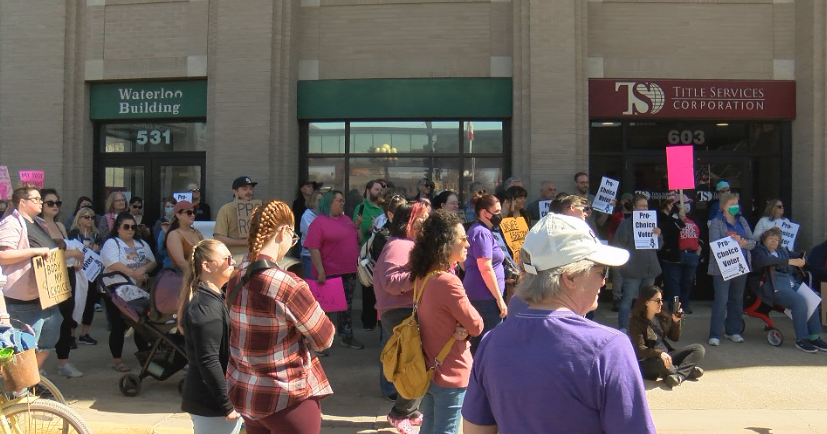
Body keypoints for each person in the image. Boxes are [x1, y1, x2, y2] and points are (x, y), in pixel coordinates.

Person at [462, 214, 655, 434]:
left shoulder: (492, 343)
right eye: (601, 270)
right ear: (569, 277)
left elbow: (475, 430)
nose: (604, 281)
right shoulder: (609, 347)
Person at [227, 200, 335, 434]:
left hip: (248, 394)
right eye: (293, 237)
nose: (291, 243)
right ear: (283, 231)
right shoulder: (286, 283)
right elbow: (324, 338)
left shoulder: (235, 276)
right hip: (288, 396)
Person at [411, 209, 483, 434]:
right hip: (451, 370)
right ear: (445, 244)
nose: (468, 244)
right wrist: (464, 328)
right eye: (462, 239)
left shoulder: (423, 275)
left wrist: (462, 327)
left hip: (429, 367)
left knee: (429, 428)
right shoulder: (448, 282)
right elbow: (476, 325)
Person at [373, 202, 429, 432]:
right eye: (422, 218)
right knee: (414, 365)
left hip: (406, 311)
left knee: (417, 362)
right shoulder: (399, 245)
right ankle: (400, 413)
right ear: (409, 222)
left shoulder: (408, 244)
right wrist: (423, 274)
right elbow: (391, 282)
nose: (426, 222)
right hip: (400, 312)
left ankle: (411, 410)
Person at [179, 239, 242, 434]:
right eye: (227, 258)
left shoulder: (214, 299)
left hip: (214, 402)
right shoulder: (205, 308)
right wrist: (227, 405)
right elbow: (209, 360)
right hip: (211, 405)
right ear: (206, 266)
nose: (233, 262)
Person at [0, 184, 65, 371]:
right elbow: (3, 255)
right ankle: (22, 383)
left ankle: (31, 378)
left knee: (48, 339)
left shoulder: (38, 223)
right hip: (22, 301)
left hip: (45, 297)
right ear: (22, 202)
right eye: (36, 199)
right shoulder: (11, 223)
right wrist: (35, 251)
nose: (40, 202)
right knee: (24, 348)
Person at [304, 190, 364, 349]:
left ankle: (346, 336)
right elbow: (313, 248)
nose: (343, 203)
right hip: (330, 273)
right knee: (325, 309)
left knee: (346, 307)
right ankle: (319, 341)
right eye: (339, 200)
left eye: (343, 200)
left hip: (348, 271)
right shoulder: (319, 222)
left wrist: (358, 227)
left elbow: (358, 240)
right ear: (329, 203)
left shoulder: (346, 220)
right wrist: (320, 271)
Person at [752, 227, 827, 353]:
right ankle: (802, 339)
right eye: (770, 238)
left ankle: (814, 337)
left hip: (791, 283)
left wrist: (801, 259)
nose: (773, 241)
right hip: (775, 287)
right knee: (799, 302)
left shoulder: (782, 251)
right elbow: (765, 261)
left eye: (776, 239)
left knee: (812, 299)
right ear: (764, 240)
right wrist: (790, 261)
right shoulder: (760, 251)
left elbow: (800, 258)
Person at [100, 212, 156, 371]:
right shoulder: (112, 243)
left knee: (141, 322)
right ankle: (117, 360)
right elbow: (112, 263)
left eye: (133, 227)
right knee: (118, 324)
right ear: (118, 228)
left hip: (138, 289)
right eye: (126, 226)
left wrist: (143, 269)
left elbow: (152, 261)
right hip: (115, 287)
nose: (130, 230)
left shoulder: (141, 243)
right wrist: (132, 273)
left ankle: (145, 355)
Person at [40, 188, 85, 378]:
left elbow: (67, 248)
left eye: (57, 203)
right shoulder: (37, 225)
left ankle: (63, 362)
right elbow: (46, 254)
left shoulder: (60, 225)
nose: (54, 206)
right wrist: (73, 253)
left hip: (66, 274)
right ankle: (38, 365)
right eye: (50, 203)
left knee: (66, 319)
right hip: (48, 275)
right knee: (46, 322)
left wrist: (75, 259)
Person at [629, 285, 705, 389]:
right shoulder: (636, 322)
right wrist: (659, 353)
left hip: (667, 356)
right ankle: (685, 371)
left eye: (661, 300)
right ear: (646, 302)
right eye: (657, 301)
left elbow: (674, 338)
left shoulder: (660, 317)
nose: (661, 303)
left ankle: (678, 375)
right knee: (660, 361)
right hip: (649, 361)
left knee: (698, 348)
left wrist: (675, 322)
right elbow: (640, 349)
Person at [707, 192, 755, 346]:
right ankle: (715, 334)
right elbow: (714, 243)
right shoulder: (716, 222)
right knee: (721, 300)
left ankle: (733, 331)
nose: (735, 206)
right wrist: (731, 240)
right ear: (723, 206)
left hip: (740, 266)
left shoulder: (742, 221)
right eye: (731, 204)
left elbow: (753, 242)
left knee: (736, 299)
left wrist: (744, 243)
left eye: (736, 203)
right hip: (722, 268)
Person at [463, 194, 506, 356]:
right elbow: (485, 268)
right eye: (497, 211)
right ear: (484, 212)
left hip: (483, 295)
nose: (500, 215)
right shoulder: (481, 233)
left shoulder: (482, 231)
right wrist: (499, 299)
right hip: (485, 298)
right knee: (489, 344)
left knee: (483, 343)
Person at [614, 194, 663, 332]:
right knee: (628, 299)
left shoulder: (652, 223)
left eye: (646, 206)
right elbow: (618, 244)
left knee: (648, 300)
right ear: (634, 207)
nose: (644, 208)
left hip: (650, 269)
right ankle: (623, 327)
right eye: (641, 206)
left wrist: (658, 235)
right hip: (632, 269)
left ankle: (645, 327)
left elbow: (659, 246)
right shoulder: (625, 224)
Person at [67, 207, 102, 345]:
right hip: (77, 271)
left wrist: (96, 249)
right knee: (76, 302)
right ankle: (71, 334)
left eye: (92, 217)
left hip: (92, 272)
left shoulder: (96, 235)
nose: (90, 220)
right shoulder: (73, 234)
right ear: (79, 219)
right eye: (86, 217)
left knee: (90, 302)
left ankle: (84, 333)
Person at [354, 180, 385, 330]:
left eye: (380, 189)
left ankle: (381, 320)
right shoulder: (361, 207)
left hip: (382, 253)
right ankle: (368, 321)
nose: (379, 192)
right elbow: (363, 228)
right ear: (368, 191)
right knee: (368, 289)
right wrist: (375, 226)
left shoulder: (384, 207)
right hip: (368, 254)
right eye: (376, 189)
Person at [214, 176, 258, 261]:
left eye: (251, 188)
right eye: (244, 189)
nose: (249, 192)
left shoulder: (259, 209)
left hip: (256, 258)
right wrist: (243, 242)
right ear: (235, 191)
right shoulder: (226, 209)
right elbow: (219, 237)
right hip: (235, 258)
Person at [657, 196, 687, 312]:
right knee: (668, 284)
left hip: (679, 256)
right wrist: (679, 219)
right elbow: (671, 228)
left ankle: (678, 307)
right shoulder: (662, 217)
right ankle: (667, 307)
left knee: (678, 283)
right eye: (669, 202)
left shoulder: (681, 217)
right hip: (666, 256)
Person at [675, 199, 703, 314]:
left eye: (688, 203)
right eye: (683, 202)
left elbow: (702, 234)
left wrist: (699, 248)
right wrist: (680, 219)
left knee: (687, 283)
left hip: (692, 254)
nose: (686, 205)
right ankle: (676, 306)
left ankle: (685, 304)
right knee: (676, 282)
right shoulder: (674, 219)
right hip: (679, 254)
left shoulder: (694, 219)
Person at [607, 192, 634, 312]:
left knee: (631, 274)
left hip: (632, 248)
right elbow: (611, 230)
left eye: (630, 200)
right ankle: (617, 298)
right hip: (618, 247)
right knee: (618, 275)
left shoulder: (636, 215)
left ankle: (631, 298)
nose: (627, 202)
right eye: (625, 200)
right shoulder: (617, 216)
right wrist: (613, 243)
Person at [162, 201, 204, 272]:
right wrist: (197, 275)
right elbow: (181, 262)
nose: (193, 215)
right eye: (189, 213)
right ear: (178, 215)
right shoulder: (174, 234)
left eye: (194, 212)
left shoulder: (197, 233)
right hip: (181, 275)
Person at [299, 189, 324, 280]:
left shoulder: (324, 215)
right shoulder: (307, 216)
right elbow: (314, 235)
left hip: (322, 256)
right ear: (313, 202)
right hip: (309, 257)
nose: (322, 203)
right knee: (312, 284)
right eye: (319, 200)